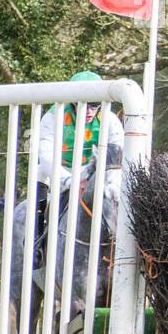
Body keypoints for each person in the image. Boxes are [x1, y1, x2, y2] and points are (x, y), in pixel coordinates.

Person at [33, 70, 124, 257]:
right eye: (84, 105)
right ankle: (37, 238)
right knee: (39, 170)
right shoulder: (53, 116)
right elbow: (47, 155)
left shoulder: (111, 121)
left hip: (93, 174)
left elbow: (118, 156)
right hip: (60, 173)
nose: (90, 111)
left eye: (95, 105)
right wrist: (70, 182)